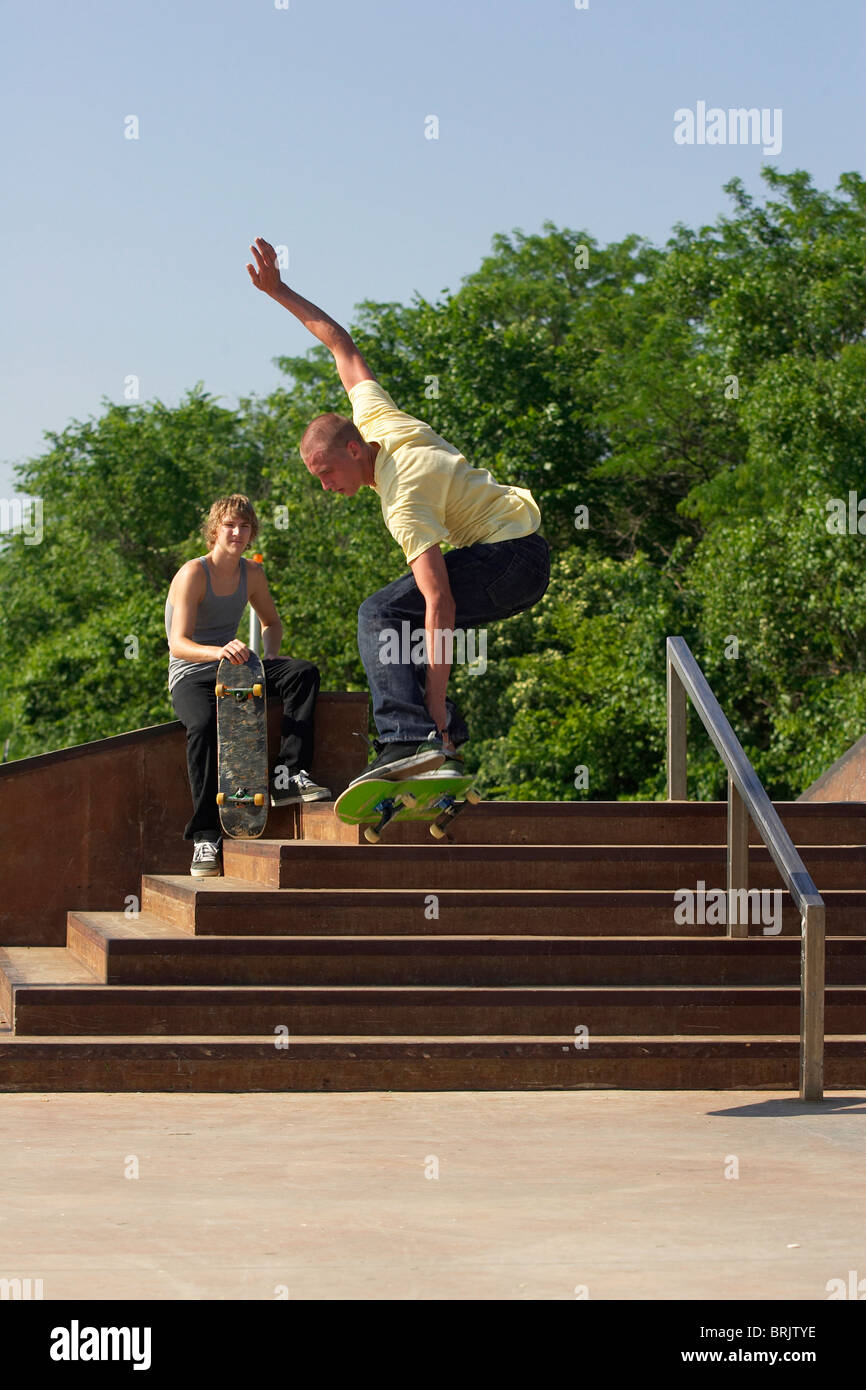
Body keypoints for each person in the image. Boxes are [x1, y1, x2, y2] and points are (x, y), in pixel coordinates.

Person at [246, 237, 550, 785]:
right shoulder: (376, 416)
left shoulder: (402, 497)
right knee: (396, 626)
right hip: (519, 553)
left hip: (509, 559)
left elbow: (441, 604)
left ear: (355, 451)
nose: (326, 488)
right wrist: (278, 290)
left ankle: (414, 736)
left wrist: (433, 701)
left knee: (380, 614)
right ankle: (438, 741)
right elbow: (340, 345)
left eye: (327, 474)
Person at [165, 493, 330, 876]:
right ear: (214, 530)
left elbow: (272, 624)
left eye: (244, 526)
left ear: (252, 532)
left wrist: (270, 657)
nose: (237, 532)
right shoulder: (194, 572)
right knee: (205, 725)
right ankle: (206, 836)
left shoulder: (251, 574)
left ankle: (287, 776)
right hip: (192, 672)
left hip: (234, 666)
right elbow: (178, 643)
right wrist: (219, 651)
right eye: (229, 525)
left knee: (302, 672)